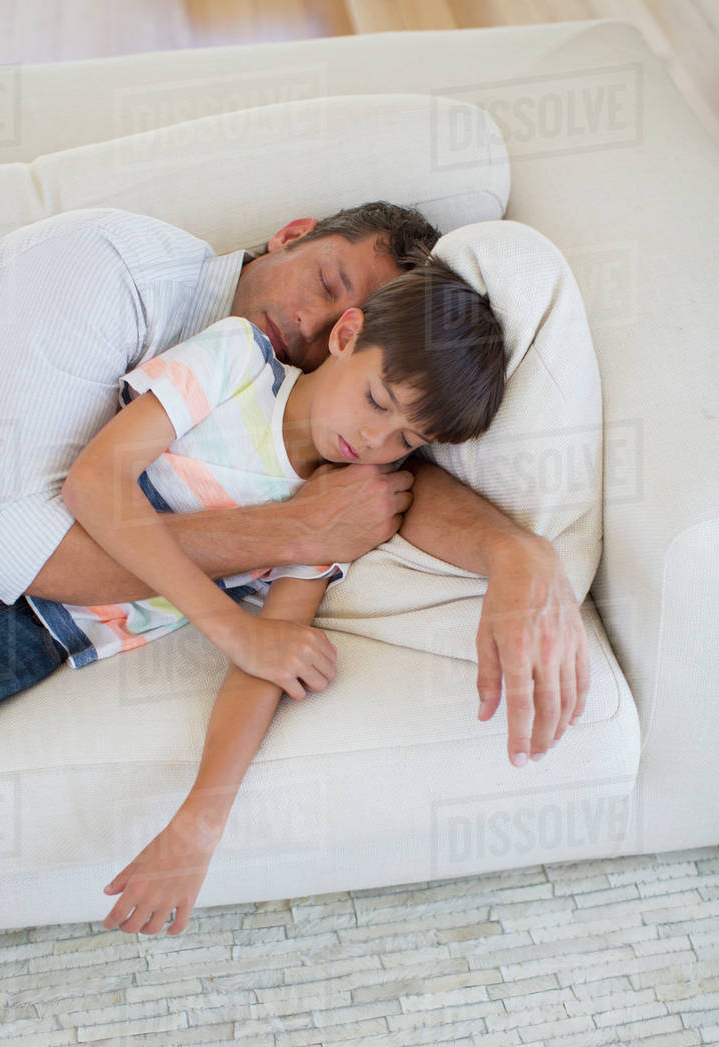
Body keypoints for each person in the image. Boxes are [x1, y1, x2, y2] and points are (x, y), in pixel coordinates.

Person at [0, 203, 588, 762]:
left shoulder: (332, 424)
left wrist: (517, 551)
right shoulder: (113, 272)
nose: (311, 327)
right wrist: (290, 534)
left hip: (24, 638)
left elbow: (393, 479)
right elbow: (15, 547)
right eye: (326, 283)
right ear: (293, 234)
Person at [55, 259, 506, 935]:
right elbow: (93, 482)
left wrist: (199, 822)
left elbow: (263, 667)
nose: (374, 441)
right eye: (376, 400)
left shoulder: (337, 507)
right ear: (346, 335)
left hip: (37, 640)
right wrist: (235, 630)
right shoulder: (240, 358)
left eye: (407, 440)